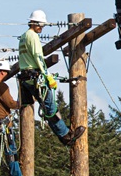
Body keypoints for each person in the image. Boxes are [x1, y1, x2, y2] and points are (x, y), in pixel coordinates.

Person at [18, 9, 86, 147]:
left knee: (47, 108)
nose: (42, 28)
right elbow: (38, 57)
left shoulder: (23, 37)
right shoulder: (33, 36)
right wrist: (48, 76)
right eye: (41, 25)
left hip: (25, 78)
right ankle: (66, 135)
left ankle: (63, 134)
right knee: (50, 108)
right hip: (35, 77)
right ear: (35, 23)